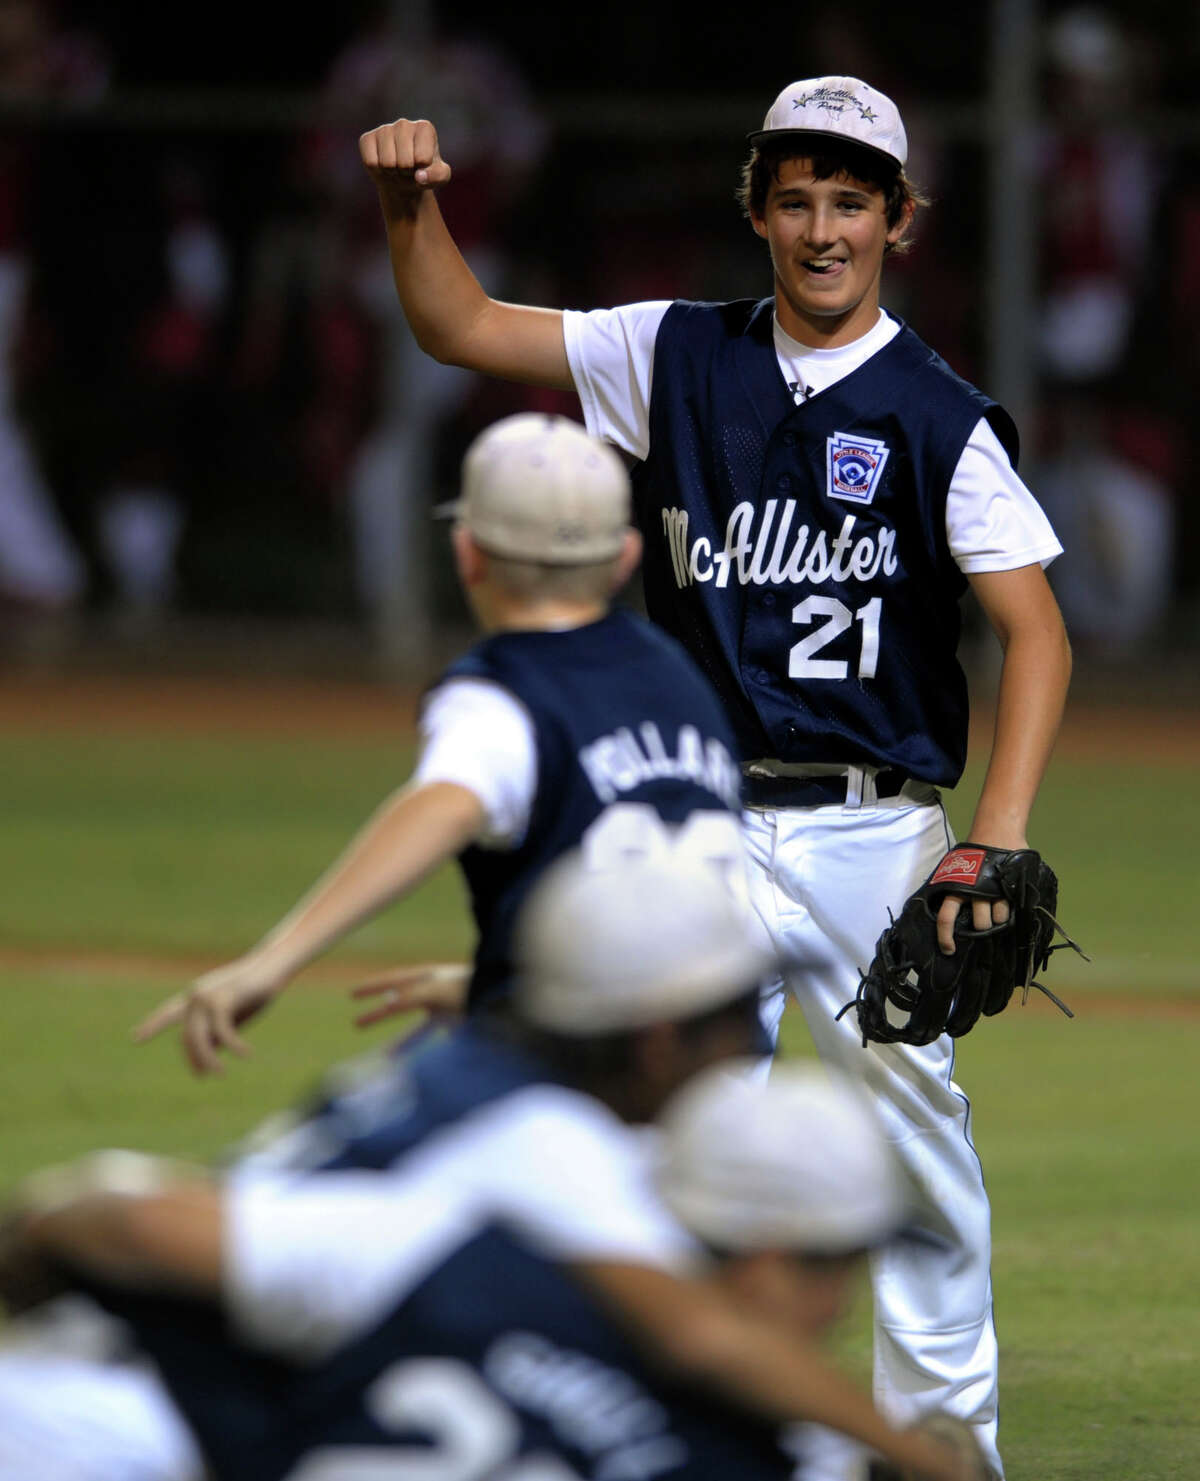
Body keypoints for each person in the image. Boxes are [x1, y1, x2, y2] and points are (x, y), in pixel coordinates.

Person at [356, 74, 1073, 1478]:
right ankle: (650, 1435)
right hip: (695, 822)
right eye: (796, 198)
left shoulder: (939, 416)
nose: (822, 229)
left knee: (915, 1157)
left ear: (899, 222)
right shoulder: (672, 352)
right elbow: (456, 324)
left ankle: (946, 1454)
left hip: (875, 836)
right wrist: (404, 203)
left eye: (851, 201)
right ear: (758, 211)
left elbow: (1034, 630)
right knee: (652, 1133)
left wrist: (991, 842)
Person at [0, 856, 982, 1481]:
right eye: (731, 1013)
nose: (742, 1041)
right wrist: (905, 1447)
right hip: (118, 1419)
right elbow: (701, 1331)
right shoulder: (547, 1149)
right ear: (655, 1036)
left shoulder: (468, 1073)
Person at [133, 412, 747, 1070]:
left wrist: (273, 960)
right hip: (710, 1064)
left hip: (580, 1079)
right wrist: (506, 982)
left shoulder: (502, 691)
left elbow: (448, 803)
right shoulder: (680, 674)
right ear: (626, 554)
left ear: (468, 553)